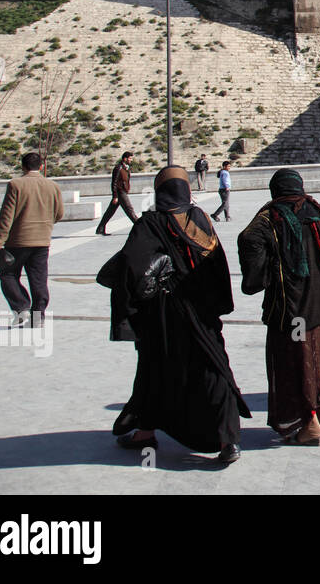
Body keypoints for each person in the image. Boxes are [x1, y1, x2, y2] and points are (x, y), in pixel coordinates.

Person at [96, 167, 249, 464]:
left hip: (164, 315)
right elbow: (218, 265)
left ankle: (145, 433)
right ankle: (228, 440)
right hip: (202, 313)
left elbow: (131, 266)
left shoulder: (150, 223)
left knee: (155, 371)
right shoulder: (201, 220)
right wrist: (216, 305)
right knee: (213, 368)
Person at [238, 169, 320, 446]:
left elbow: (249, 249)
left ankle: (308, 423)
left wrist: (263, 273)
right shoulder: (319, 214)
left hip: (293, 312)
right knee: (319, 358)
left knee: (294, 365)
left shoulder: (268, 220)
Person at [0, 152, 64, 328]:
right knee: (39, 278)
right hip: (42, 240)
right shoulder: (52, 185)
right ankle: (38, 315)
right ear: (41, 166)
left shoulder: (15, 184)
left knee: (7, 274)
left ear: (23, 166)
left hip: (17, 241)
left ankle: (21, 306)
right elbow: (59, 213)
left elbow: (6, 215)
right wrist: (45, 224)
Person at [94, 152, 138, 236]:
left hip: (123, 192)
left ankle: (100, 229)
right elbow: (114, 183)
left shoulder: (126, 168)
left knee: (110, 212)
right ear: (125, 158)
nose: (131, 160)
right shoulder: (118, 168)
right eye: (130, 158)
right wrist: (115, 196)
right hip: (120, 193)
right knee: (130, 210)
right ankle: (141, 228)